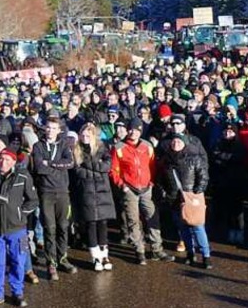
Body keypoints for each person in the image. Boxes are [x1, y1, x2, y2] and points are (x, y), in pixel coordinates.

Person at [109, 118, 175, 265]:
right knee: (133, 221)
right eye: (131, 129)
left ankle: (157, 249)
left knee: (152, 216)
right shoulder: (118, 148)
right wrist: (122, 185)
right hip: (129, 188)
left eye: (137, 130)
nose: (133, 132)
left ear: (141, 131)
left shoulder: (147, 146)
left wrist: (151, 182)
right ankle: (139, 250)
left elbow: (152, 166)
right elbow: (113, 170)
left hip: (146, 188)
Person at [0, 150, 37, 308]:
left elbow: (33, 201)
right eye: (1, 159)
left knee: (19, 261)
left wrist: (21, 215)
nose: (3, 162)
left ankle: (17, 292)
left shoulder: (23, 176)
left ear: (13, 161)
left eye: (7, 160)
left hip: (19, 229)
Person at [29, 116, 76, 279]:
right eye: (48, 127)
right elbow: (39, 168)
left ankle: (63, 258)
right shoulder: (38, 146)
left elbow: (69, 163)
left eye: (54, 128)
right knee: (49, 228)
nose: (50, 131)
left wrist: (50, 163)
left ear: (59, 130)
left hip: (62, 191)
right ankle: (51, 263)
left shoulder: (64, 145)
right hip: (46, 192)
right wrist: (55, 167)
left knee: (63, 226)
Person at [158, 132, 213, 268]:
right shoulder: (166, 160)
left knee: (198, 226)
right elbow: (160, 179)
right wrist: (164, 193)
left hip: (192, 197)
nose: (176, 144)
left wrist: (197, 191)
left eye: (179, 141)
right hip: (174, 198)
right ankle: (190, 253)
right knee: (183, 228)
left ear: (185, 144)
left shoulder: (194, 158)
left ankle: (206, 256)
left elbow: (203, 176)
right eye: (174, 141)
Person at [72, 123, 115, 271]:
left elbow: (107, 166)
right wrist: (96, 170)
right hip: (87, 191)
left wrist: (91, 165)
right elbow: (77, 171)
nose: (85, 138)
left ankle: (104, 255)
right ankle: (95, 256)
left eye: (88, 135)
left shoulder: (102, 147)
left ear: (93, 136)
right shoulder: (76, 150)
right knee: (91, 223)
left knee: (102, 223)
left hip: (103, 191)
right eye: (83, 135)